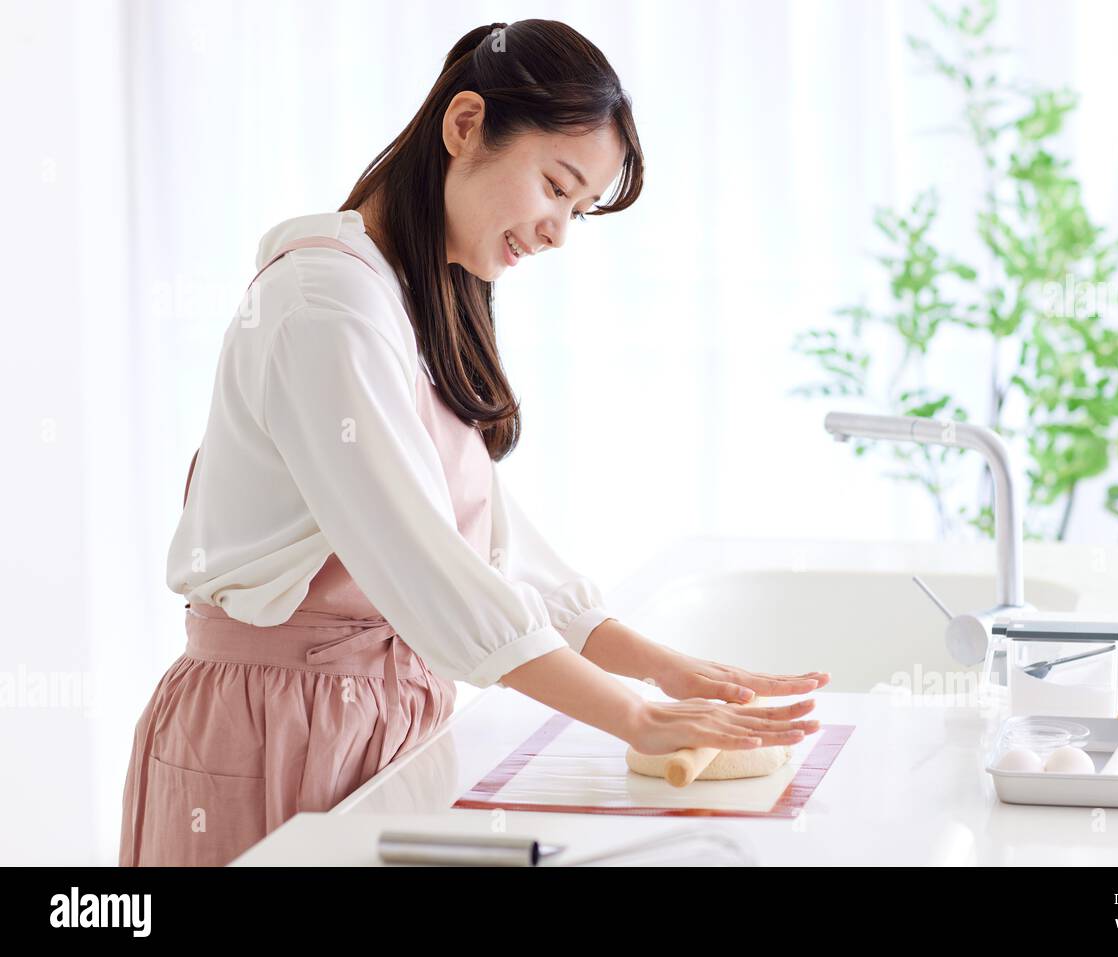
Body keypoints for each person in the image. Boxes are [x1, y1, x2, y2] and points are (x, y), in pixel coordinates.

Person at [120, 18, 828, 868]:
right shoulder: (324, 305)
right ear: (465, 126)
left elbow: (489, 543)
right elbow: (428, 570)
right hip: (271, 724)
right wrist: (634, 716)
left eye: (578, 208)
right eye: (557, 187)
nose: (560, 230)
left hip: (384, 724)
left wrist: (661, 669)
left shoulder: (409, 298)